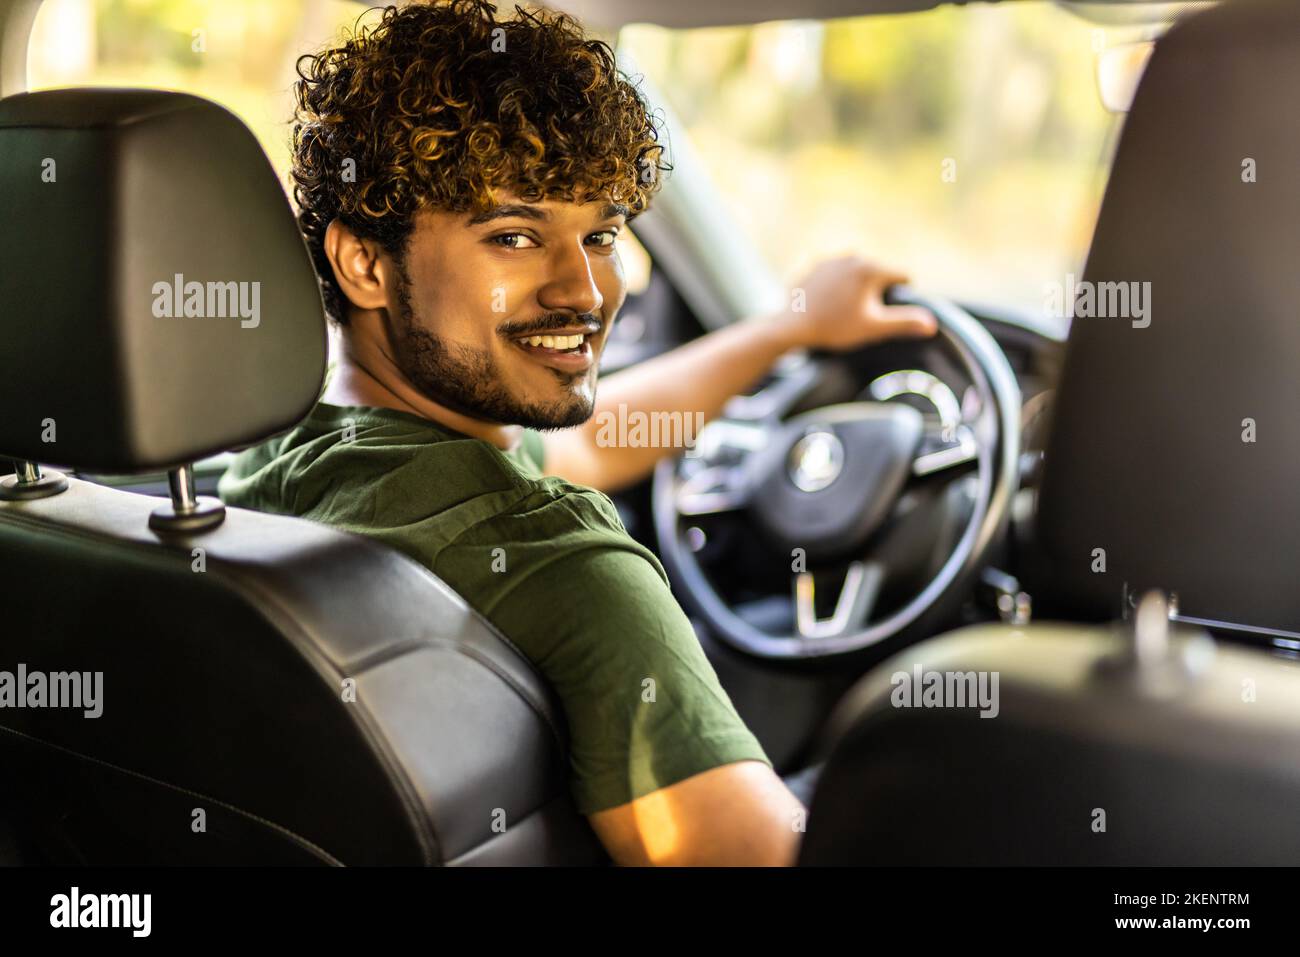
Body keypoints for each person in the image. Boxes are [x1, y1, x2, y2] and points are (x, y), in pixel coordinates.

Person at [219, 0, 936, 866]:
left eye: (601, 233)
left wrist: (786, 328)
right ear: (365, 262)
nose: (586, 291)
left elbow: (587, 447)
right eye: (516, 235)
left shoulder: (291, 445)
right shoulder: (556, 561)